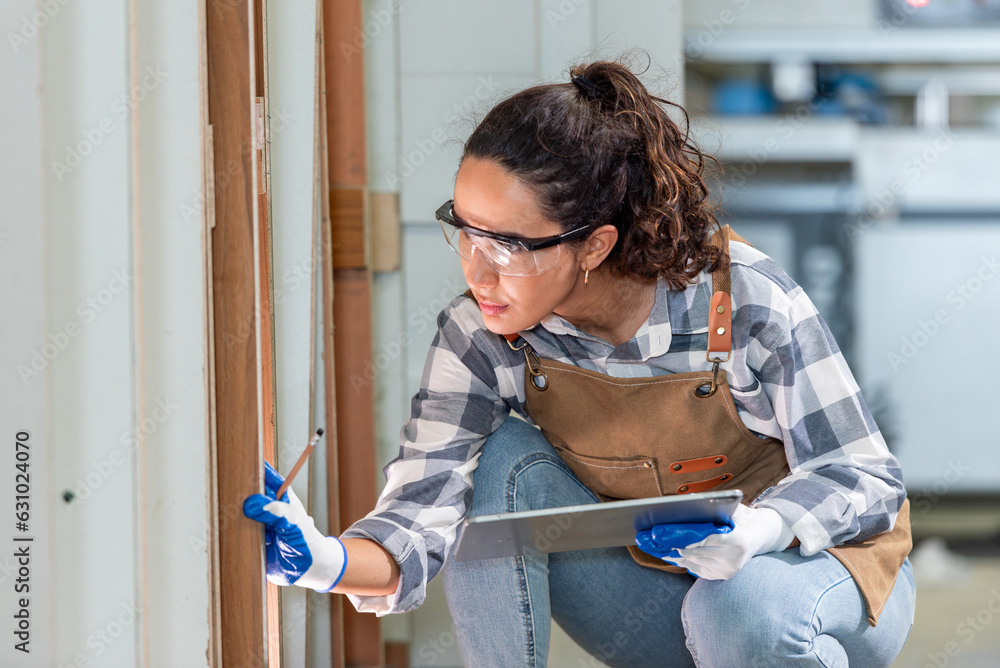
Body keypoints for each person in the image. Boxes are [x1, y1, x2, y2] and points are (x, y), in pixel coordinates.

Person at [243, 57, 916, 667]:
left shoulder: (743, 299)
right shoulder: (481, 333)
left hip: (823, 577)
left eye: (507, 245)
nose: (478, 271)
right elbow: (422, 509)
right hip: (664, 596)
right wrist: (324, 561)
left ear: (593, 246)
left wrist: (760, 529)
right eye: (465, 230)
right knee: (501, 461)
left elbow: (863, 475)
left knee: (737, 608)